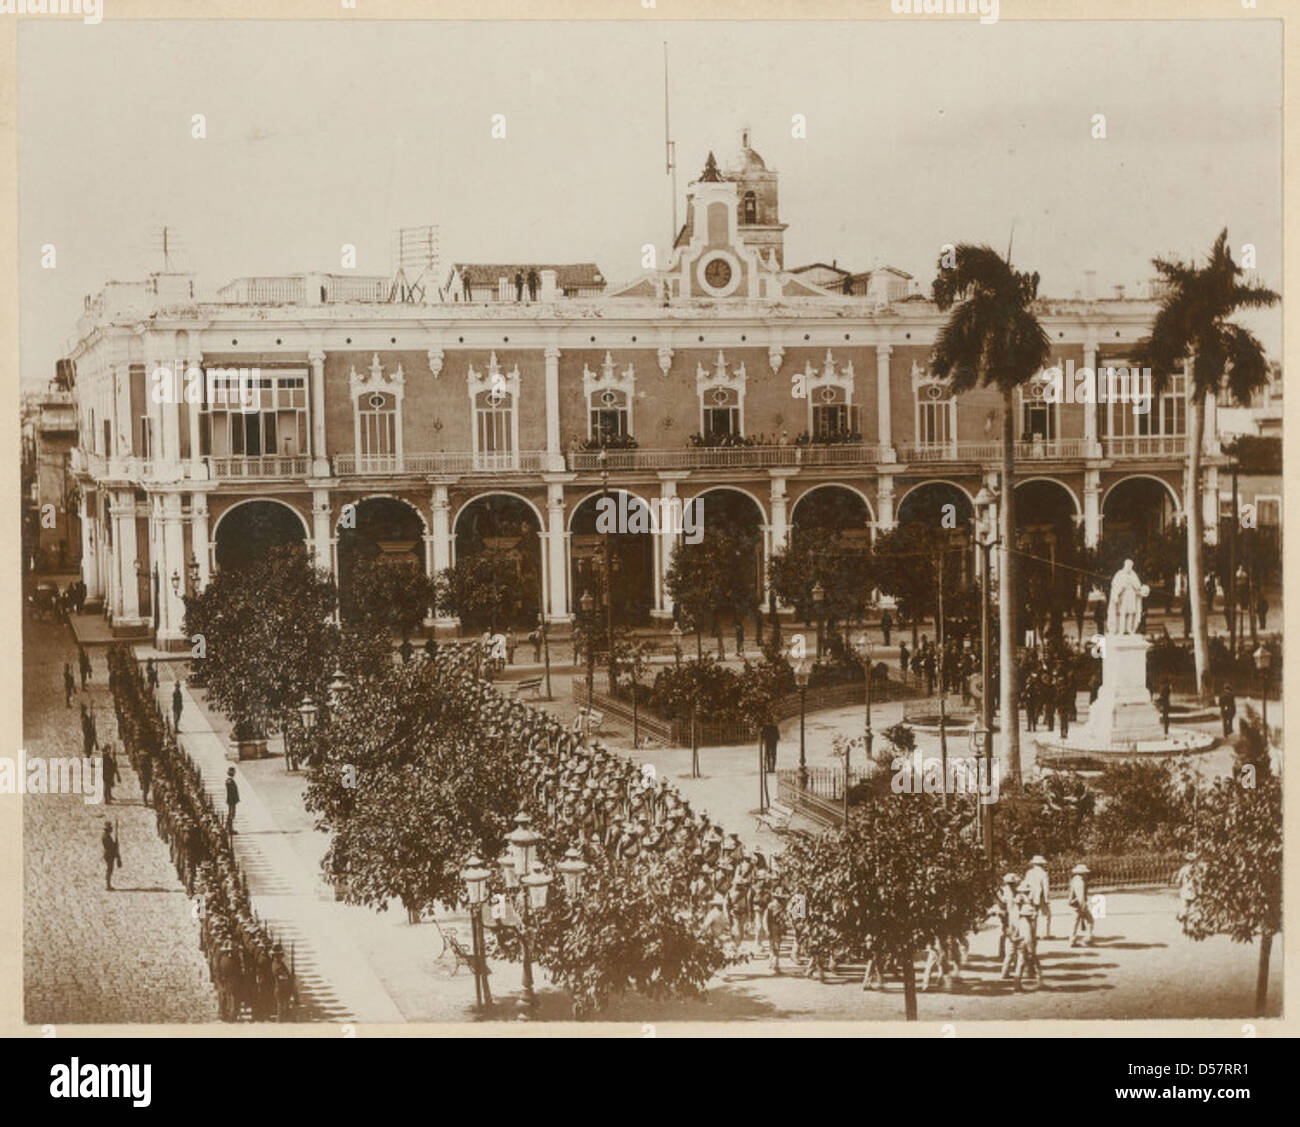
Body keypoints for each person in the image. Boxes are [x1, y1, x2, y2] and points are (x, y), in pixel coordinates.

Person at [1023, 853, 1051, 939]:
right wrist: (1047, 899)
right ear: (1042, 864)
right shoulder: (1043, 873)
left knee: (1033, 915)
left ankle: (1033, 934)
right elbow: (1045, 887)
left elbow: (1026, 884)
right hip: (1041, 897)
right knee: (1047, 915)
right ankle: (1045, 934)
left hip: (1031, 896)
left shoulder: (1029, 873)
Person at [1068, 864, 1094, 947]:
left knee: (1074, 922)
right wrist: (1083, 906)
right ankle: (1087, 939)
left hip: (1074, 903)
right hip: (1079, 904)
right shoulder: (1080, 882)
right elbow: (1080, 896)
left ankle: (1072, 940)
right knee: (1090, 920)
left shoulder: (1074, 879)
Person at [764, 889, 785, 973]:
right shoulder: (770, 906)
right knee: (775, 946)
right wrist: (767, 929)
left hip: (778, 927)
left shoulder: (782, 906)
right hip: (772, 926)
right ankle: (775, 965)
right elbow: (766, 919)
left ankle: (771, 962)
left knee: (774, 946)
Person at [1175, 850, 1198, 926]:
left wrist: (1178, 884)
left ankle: (1183, 917)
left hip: (1185, 889)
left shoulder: (1183, 869)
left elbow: (1178, 880)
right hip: (1194, 889)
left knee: (1185, 905)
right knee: (1194, 906)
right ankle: (1194, 921)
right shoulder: (1197, 869)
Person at [101, 819, 121, 891]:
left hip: (109, 854)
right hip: (109, 854)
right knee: (109, 869)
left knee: (110, 869)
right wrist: (115, 847)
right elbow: (110, 847)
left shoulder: (106, 836)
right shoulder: (106, 837)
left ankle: (108, 885)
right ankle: (108, 885)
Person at [225, 767, 240, 836]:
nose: (235, 773)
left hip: (232, 801)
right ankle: (229, 829)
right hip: (231, 801)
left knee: (231, 814)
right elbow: (231, 792)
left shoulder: (230, 780)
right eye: (233, 772)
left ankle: (228, 828)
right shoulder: (229, 781)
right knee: (231, 814)